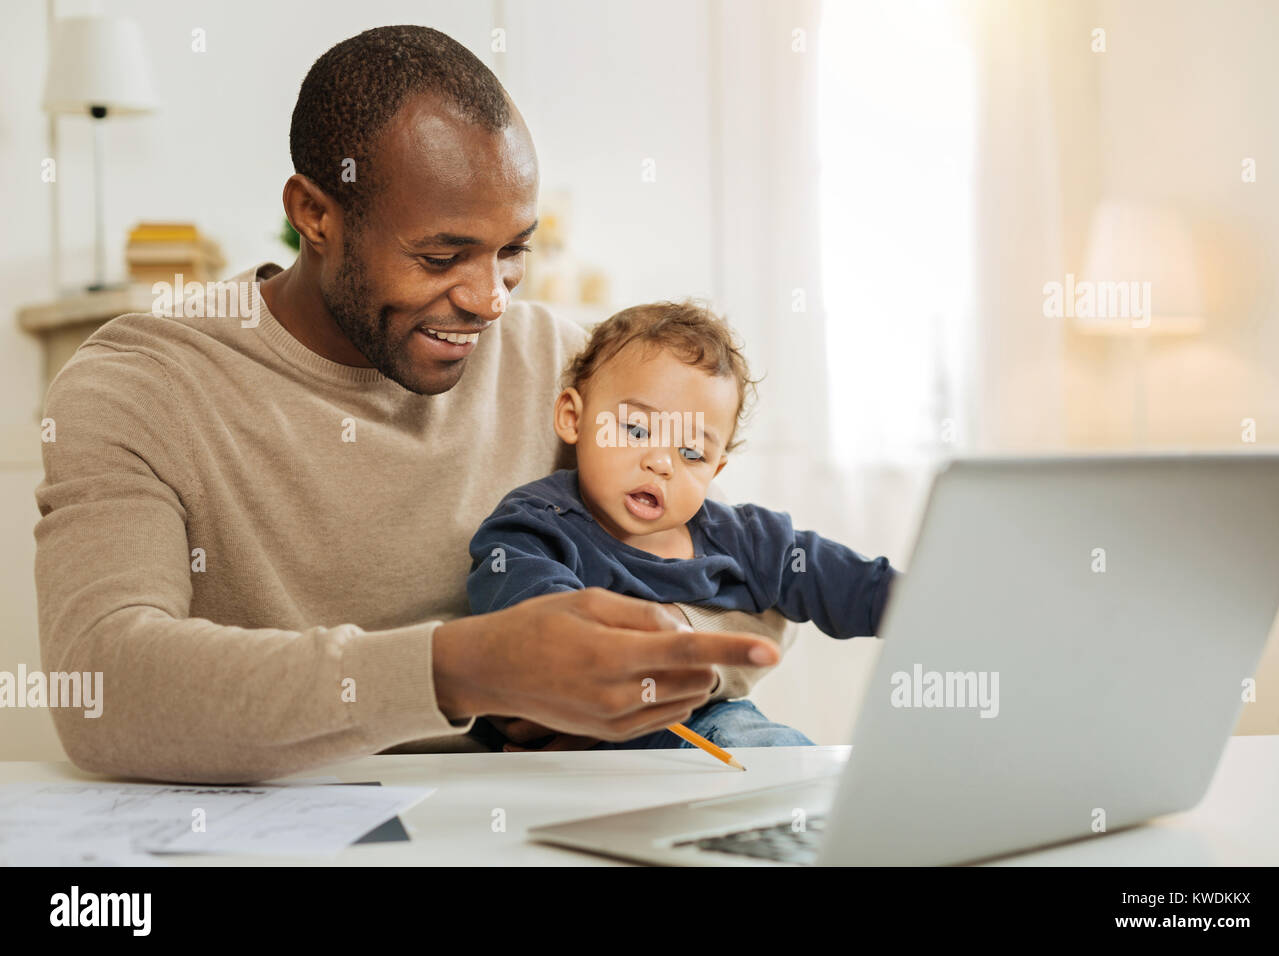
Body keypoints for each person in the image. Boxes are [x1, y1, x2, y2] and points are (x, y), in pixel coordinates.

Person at [33, 25, 791, 784]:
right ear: (316, 215)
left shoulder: (565, 367)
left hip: (537, 812)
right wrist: (465, 671)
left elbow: (747, 577)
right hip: (282, 826)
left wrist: (634, 660)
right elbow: (104, 684)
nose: (488, 299)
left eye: (513, 251)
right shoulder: (141, 385)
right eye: (441, 257)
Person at [467, 302, 896, 751]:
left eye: (691, 454)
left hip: (701, 725)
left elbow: (847, 582)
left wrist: (925, 605)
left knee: (775, 751)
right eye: (635, 431)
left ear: (716, 470)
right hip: (577, 745)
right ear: (573, 418)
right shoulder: (535, 524)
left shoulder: (742, 536)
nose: (660, 462)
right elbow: (535, 621)